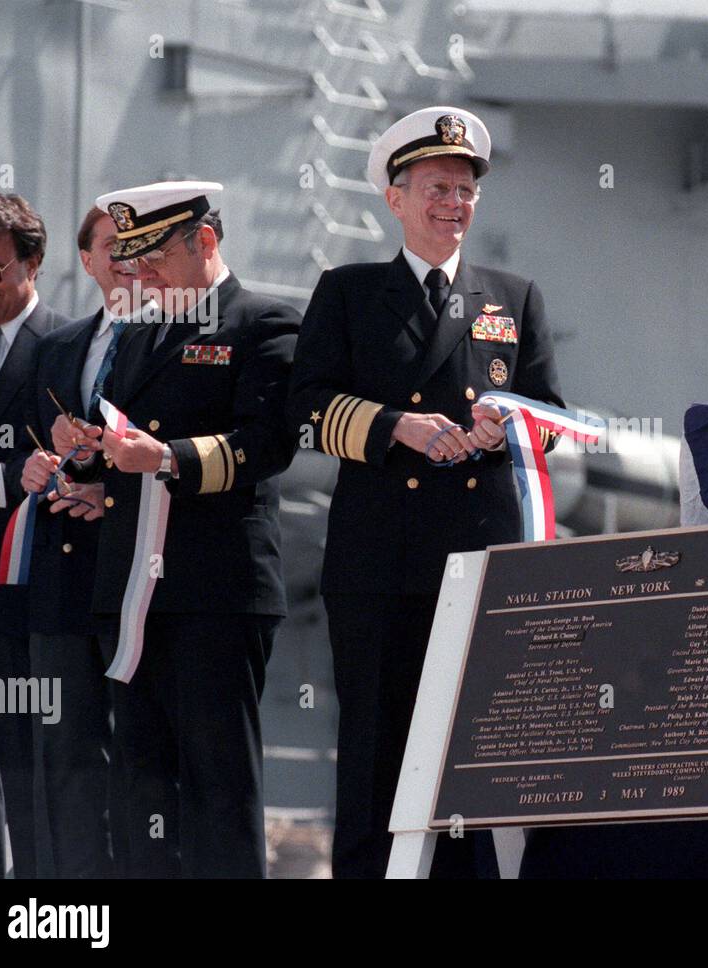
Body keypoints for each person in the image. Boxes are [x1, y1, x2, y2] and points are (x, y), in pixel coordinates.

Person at [287, 105, 563, 878]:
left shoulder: (514, 296)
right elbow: (303, 408)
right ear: (396, 198)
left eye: (466, 190)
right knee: (375, 752)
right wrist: (393, 427)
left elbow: (552, 416)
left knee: (464, 754)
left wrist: (501, 424)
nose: (453, 204)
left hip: (476, 559)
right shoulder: (347, 293)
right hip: (379, 562)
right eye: (436, 187)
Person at [54, 181, 300, 876]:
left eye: (154, 257)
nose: (142, 275)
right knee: (140, 784)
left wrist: (164, 458)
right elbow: (128, 441)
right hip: (135, 597)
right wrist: (93, 465)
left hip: (214, 595)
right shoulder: (140, 334)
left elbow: (267, 445)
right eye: (131, 259)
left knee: (219, 788)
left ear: (208, 242)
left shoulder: (263, 324)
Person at [8, 206, 138, 875]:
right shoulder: (56, 349)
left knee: (141, 769)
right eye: (109, 246)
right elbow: (35, 445)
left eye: (136, 245)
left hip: (140, 585)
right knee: (65, 765)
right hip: (62, 590)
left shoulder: (175, 344)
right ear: (85, 259)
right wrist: (37, 467)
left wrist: (110, 496)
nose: (123, 257)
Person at [0, 185, 64, 877]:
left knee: (34, 777)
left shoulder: (68, 347)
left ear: (31, 263)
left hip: (30, 597)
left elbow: (83, 463)